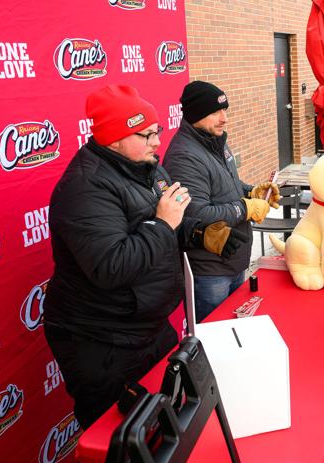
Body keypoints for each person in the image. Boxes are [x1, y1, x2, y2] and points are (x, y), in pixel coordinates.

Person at [44, 85, 249, 429]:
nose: (157, 142)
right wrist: (163, 223)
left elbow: (174, 220)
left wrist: (199, 234)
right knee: (115, 441)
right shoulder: (84, 188)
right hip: (101, 338)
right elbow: (112, 266)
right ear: (115, 138)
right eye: (147, 134)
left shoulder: (148, 167)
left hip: (146, 326)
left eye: (158, 132)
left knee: (169, 419)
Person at [164, 81, 280, 322]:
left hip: (233, 258)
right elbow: (195, 214)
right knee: (213, 340)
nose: (224, 118)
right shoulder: (184, 155)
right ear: (195, 114)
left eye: (225, 110)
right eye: (215, 112)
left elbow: (227, 185)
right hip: (209, 271)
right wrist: (245, 208)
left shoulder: (214, 140)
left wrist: (252, 191)